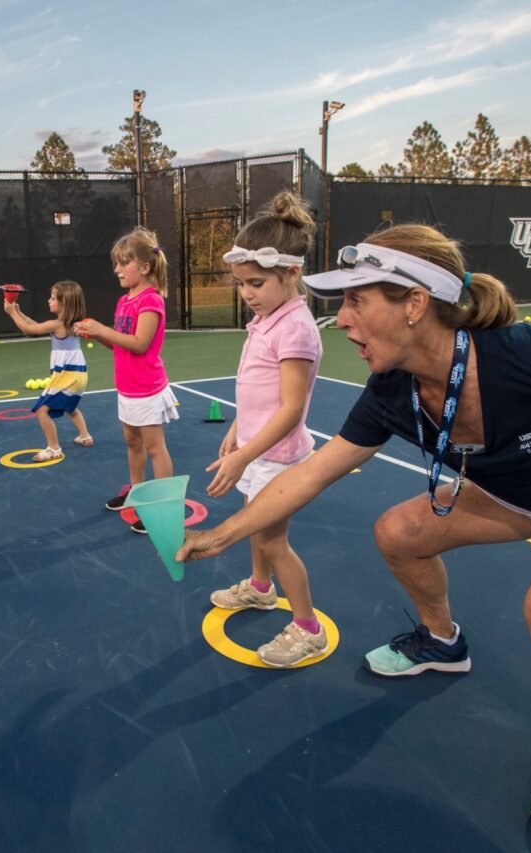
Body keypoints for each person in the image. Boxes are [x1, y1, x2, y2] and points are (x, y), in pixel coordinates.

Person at [176, 224, 531, 845]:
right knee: (398, 532)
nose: (344, 321)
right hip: (529, 496)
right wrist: (223, 534)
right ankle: (442, 642)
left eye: (357, 301)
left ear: (415, 304)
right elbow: (310, 474)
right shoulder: (391, 390)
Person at [206, 192, 327, 668]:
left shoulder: (294, 328)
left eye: (256, 283)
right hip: (257, 451)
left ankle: (308, 629)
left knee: (273, 540)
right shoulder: (266, 318)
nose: (247, 293)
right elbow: (260, 392)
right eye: (241, 284)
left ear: (291, 273)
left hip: (277, 457)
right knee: (256, 527)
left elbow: (291, 408)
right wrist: (238, 429)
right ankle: (260, 589)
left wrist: (243, 454)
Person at [74, 228, 177, 535]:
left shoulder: (151, 301)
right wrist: (97, 335)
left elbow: (140, 344)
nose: (116, 269)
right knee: (132, 442)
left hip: (148, 389)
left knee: (155, 448)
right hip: (127, 388)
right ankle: (136, 491)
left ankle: (163, 507)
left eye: (123, 263)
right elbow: (120, 343)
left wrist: (102, 329)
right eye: (116, 263)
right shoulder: (124, 301)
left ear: (144, 267)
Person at [1, 280, 93, 460]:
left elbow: (30, 330)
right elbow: (34, 325)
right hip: (78, 375)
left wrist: (12, 313)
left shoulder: (57, 324)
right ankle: (85, 436)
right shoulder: (70, 324)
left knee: (41, 410)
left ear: (64, 303)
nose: (48, 300)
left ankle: (53, 448)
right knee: (70, 407)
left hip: (67, 376)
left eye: (53, 298)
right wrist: (18, 311)